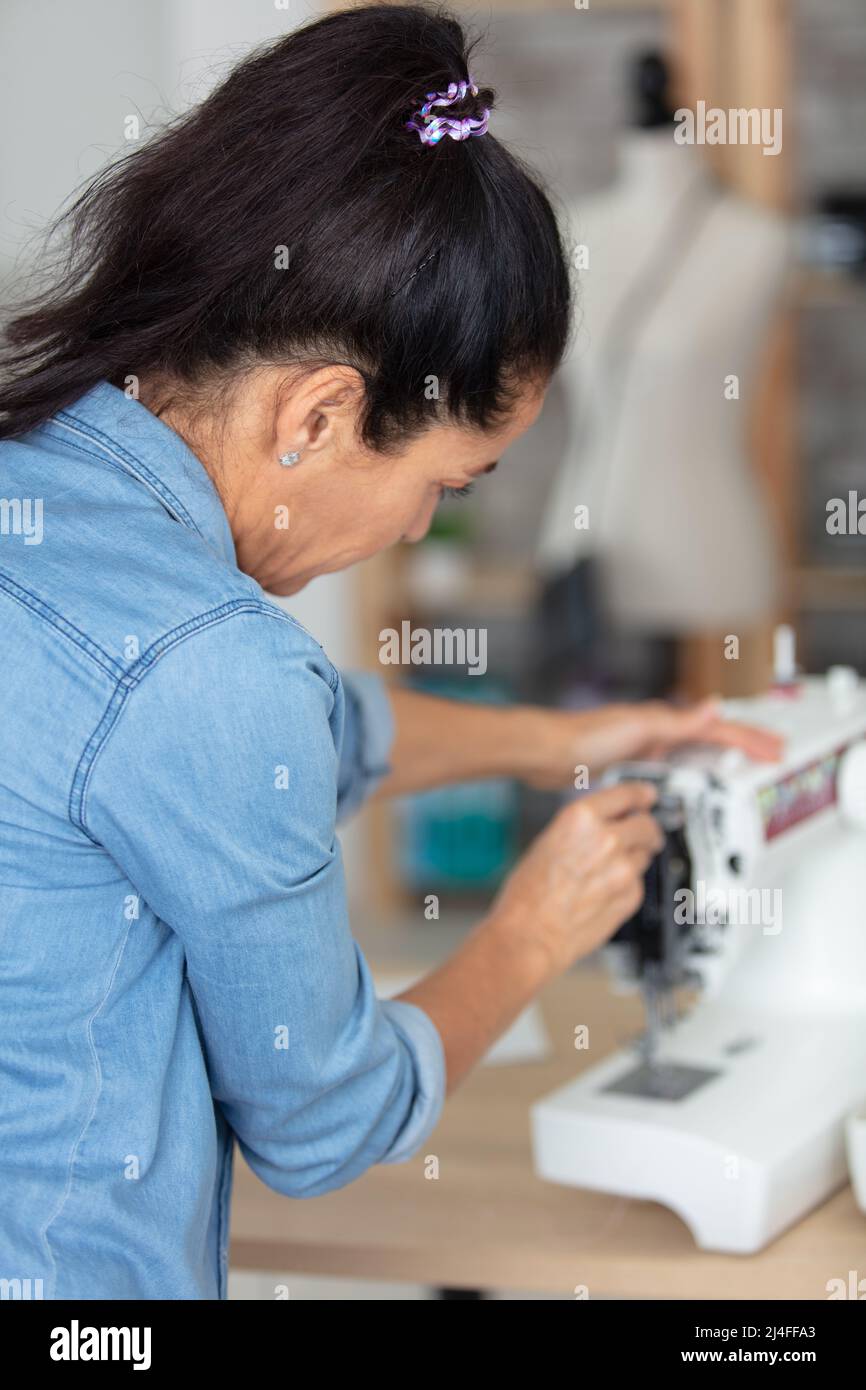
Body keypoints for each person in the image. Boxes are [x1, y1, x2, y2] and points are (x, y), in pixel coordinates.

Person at [0, 4, 780, 1299]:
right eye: (444, 480)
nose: (421, 524)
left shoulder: (45, 487)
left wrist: (562, 739)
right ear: (316, 412)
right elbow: (327, 1119)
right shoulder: (209, 666)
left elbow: (276, 737)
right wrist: (534, 929)